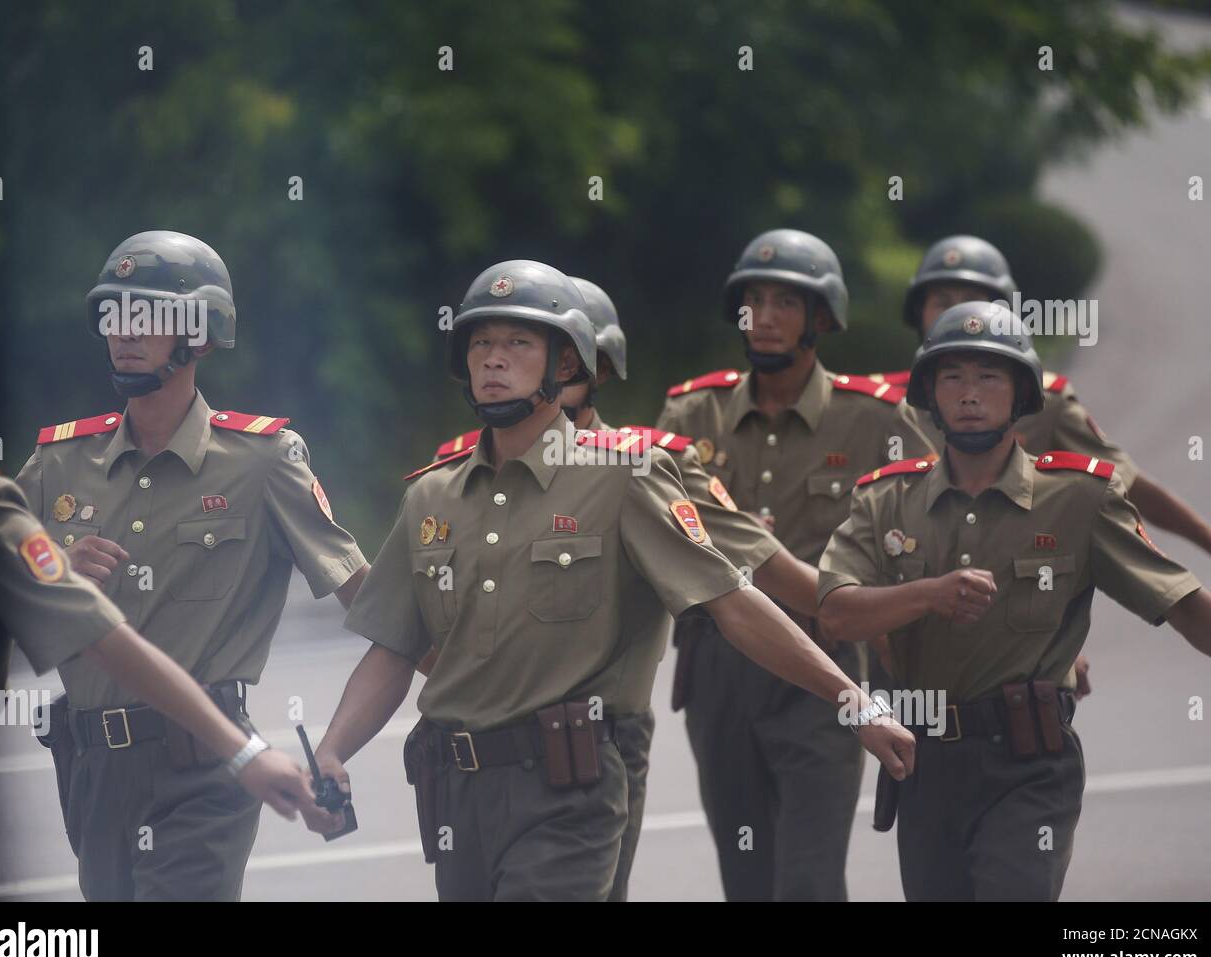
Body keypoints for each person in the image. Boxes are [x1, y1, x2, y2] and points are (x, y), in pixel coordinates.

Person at [302, 259, 914, 901]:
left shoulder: (626, 476)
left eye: (517, 342)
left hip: (568, 792)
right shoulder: (432, 495)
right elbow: (393, 645)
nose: (493, 359)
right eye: (480, 341)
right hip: (456, 796)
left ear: (566, 365)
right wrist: (333, 749)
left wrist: (855, 702)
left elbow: (732, 602)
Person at [817, 301, 1211, 900]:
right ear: (929, 395)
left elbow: (1184, 604)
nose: (970, 394)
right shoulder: (885, 500)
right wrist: (927, 596)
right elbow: (835, 610)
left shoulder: (1079, 497)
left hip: (1028, 765)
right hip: (925, 766)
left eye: (989, 376)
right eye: (953, 377)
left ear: (1021, 393)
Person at [430, 275, 830, 900]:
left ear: (595, 368)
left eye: (560, 359)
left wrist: (853, 636)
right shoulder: (457, 471)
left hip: (595, 732)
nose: (506, 364)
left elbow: (746, 573)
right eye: (490, 344)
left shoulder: (639, 466)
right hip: (484, 753)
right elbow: (419, 624)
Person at [14, 231, 368, 900]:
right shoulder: (59, 463)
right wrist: (53, 568)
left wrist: (475, 693)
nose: (125, 332)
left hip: (206, 770)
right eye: (113, 315)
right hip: (91, 770)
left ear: (200, 336)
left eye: (146, 315)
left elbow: (372, 603)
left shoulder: (262, 462)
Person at [654, 229, 931, 900]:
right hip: (720, 666)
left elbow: (935, 531)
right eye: (753, 300)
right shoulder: (692, 411)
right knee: (745, 878)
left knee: (806, 880)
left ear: (821, 318)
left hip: (827, 665)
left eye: (785, 301)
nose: (765, 316)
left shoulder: (875, 419)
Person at [0, 457, 314, 902]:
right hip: (95, 771)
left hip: (190, 774)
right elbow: (100, 637)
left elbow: (96, 635)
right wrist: (245, 752)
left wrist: (240, 750)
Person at [882, 234, 1211, 602]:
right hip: (896, 614)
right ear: (917, 313)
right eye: (941, 302)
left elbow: (1126, 483)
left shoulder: (1044, 401)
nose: (957, 313)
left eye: (973, 301)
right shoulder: (877, 406)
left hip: (1013, 613)